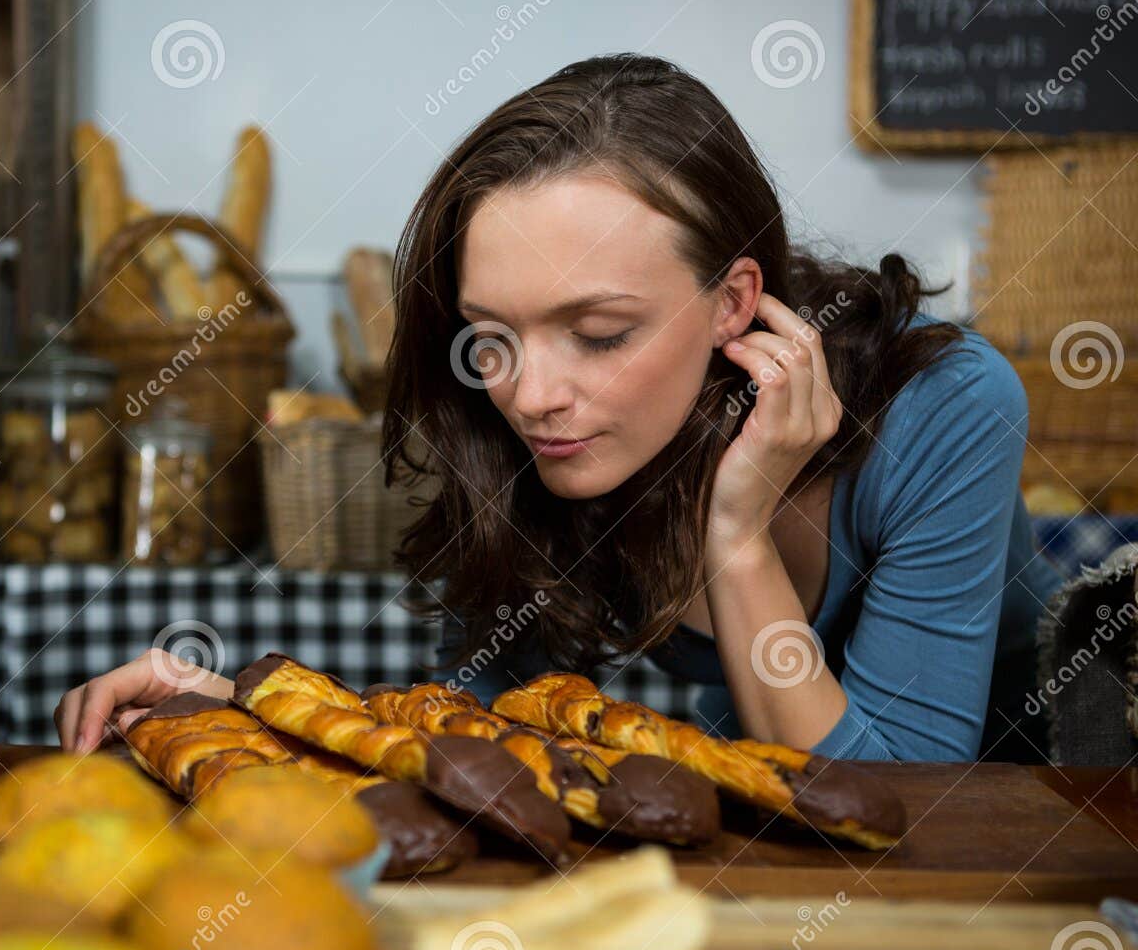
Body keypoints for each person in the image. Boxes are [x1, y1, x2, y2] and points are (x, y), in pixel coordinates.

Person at [59, 53, 1063, 764]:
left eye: (597, 333)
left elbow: (888, 806)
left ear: (732, 301)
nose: (530, 397)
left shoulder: (942, 406)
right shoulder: (541, 447)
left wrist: (735, 535)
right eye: (491, 334)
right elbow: (474, 742)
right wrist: (238, 706)